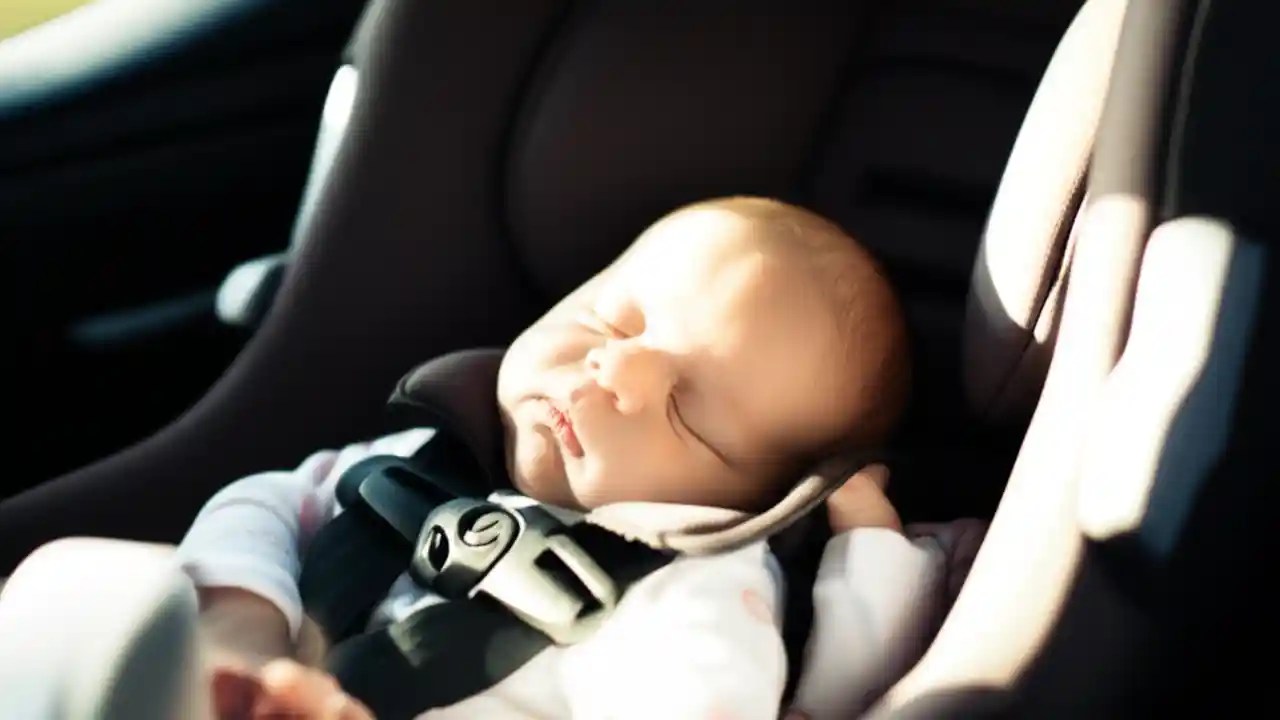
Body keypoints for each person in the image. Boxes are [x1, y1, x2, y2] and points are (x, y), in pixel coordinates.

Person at [178, 197, 978, 719]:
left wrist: (868, 564)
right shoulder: (421, 464)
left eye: (685, 413)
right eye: (612, 321)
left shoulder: (694, 595)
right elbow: (272, 504)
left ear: (760, 503)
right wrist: (242, 628)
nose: (616, 372)